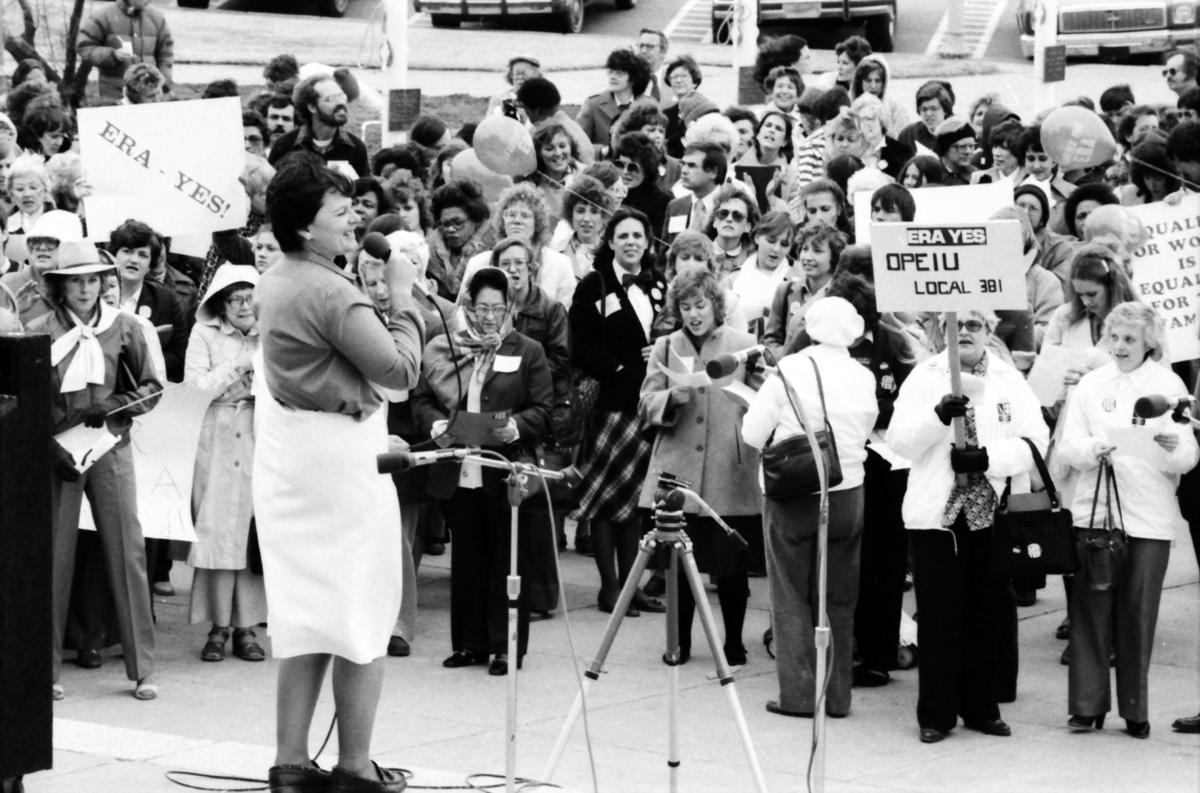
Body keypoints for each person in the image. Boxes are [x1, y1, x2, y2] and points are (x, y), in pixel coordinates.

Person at [253, 154, 424, 792]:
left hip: (294, 469)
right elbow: (401, 373)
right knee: (362, 613)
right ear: (304, 228)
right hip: (343, 470)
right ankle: (355, 766)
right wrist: (402, 298)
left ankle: (291, 763)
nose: (352, 216)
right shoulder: (330, 292)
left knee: (305, 616)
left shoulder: (280, 276)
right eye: (338, 210)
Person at [886, 310, 1048, 743]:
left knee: (987, 612)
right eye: (956, 327)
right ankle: (936, 715)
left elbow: (1036, 439)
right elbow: (899, 441)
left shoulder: (1008, 379)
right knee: (939, 616)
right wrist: (938, 417)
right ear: (941, 332)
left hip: (990, 512)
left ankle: (981, 707)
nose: (965, 334)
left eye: (974, 325)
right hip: (938, 516)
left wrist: (990, 458)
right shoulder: (924, 377)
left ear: (989, 331)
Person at [28, 240, 162, 701]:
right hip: (60, 453)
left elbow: (151, 387)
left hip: (110, 446)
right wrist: (47, 446)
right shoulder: (38, 329)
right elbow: (24, 400)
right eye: (75, 280)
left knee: (128, 551)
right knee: (52, 558)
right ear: (59, 285)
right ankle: (44, 671)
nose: (85, 288)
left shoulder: (125, 326)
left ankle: (142, 668)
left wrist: (114, 405)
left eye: (91, 279)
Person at [1057, 302, 1198, 738]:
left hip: (1148, 517)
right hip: (1095, 513)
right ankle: (1086, 706)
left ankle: (1135, 710)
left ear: (1149, 343)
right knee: (1090, 610)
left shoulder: (1168, 385)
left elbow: (1189, 457)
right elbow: (1067, 446)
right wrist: (1091, 450)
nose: (1119, 346)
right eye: (1114, 337)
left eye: (1129, 339)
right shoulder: (1092, 385)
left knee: (1138, 615)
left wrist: (1174, 444)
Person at [412, 266, 553, 675]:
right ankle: (469, 643)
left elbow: (543, 410)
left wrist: (516, 427)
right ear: (468, 307)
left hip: (505, 470)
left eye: (497, 308)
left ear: (510, 306)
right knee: (468, 559)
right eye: (481, 308)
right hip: (459, 467)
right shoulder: (449, 347)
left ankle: (505, 646)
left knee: (508, 560)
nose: (488, 317)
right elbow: (423, 398)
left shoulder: (527, 350)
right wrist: (434, 424)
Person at [742, 296, 878, 717]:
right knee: (838, 597)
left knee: (790, 594)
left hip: (795, 496)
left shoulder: (789, 370)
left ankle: (799, 695)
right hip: (849, 492)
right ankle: (837, 696)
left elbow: (751, 433)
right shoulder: (863, 375)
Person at [638, 267, 764, 665]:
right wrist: (672, 396)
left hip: (729, 467)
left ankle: (734, 643)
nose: (693, 313)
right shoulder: (665, 346)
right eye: (686, 306)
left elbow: (764, 396)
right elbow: (644, 402)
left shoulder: (743, 344)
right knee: (678, 564)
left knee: (730, 567)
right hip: (678, 467)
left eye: (701, 305)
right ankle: (680, 642)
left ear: (716, 305)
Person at [569, 207, 668, 618]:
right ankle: (610, 589)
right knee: (606, 501)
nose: (631, 242)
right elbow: (582, 343)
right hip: (612, 406)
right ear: (610, 242)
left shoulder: (658, 284)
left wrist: (658, 347)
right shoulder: (594, 284)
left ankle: (631, 587)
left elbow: (671, 329)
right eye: (623, 236)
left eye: (638, 235)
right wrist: (621, 368)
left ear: (647, 241)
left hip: (648, 406)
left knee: (635, 503)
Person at [184, 264, 267, 663]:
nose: (243, 306)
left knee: (252, 531)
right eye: (234, 299)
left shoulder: (271, 334)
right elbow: (196, 387)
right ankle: (218, 627)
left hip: (257, 433)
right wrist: (240, 365)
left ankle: (248, 626)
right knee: (216, 530)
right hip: (216, 434)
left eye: (249, 297)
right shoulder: (205, 334)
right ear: (220, 303)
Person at [458, 182, 575, 308]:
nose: (517, 221)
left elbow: (565, 316)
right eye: (511, 215)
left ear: (537, 222)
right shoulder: (479, 263)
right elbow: (461, 312)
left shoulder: (560, 264)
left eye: (525, 216)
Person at [761, 225, 847, 359]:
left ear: (834, 257)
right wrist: (788, 358)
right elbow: (771, 341)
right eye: (805, 249)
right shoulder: (785, 290)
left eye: (817, 251)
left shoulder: (843, 295)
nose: (807, 257)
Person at [268, 75, 369, 177]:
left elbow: (365, 189)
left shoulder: (356, 147)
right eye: (330, 99)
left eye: (341, 96)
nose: (340, 103)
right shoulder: (285, 145)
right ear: (312, 107)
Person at [77, 0, 174, 104]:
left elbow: (166, 52)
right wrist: (112, 55)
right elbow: (84, 46)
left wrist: (164, 83)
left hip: (150, 96)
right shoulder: (103, 16)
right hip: (114, 94)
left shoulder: (157, 17)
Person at [576, 49, 652, 159]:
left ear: (633, 78)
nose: (612, 77)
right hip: (604, 169)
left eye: (619, 73)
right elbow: (577, 143)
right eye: (610, 72)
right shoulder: (592, 105)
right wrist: (602, 151)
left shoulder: (648, 106)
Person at [426, 179, 495, 300]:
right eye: (445, 224)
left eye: (458, 222)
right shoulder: (429, 252)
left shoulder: (493, 248)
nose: (451, 229)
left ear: (475, 218)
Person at [727, 210, 793, 335]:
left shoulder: (797, 282)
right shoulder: (733, 279)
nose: (776, 249)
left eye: (784, 244)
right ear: (757, 238)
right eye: (771, 241)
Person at [551, 175, 611, 280]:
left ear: (603, 216)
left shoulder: (612, 253)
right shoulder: (555, 249)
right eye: (580, 211)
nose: (587, 218)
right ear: (571, 214)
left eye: (594, 211)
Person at [704, 183, 758, 277]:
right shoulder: (698, 252)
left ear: (747, 227)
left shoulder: (753, 261)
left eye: (737, 216)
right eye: (723, 213)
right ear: (715, 221)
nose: (729, 219)